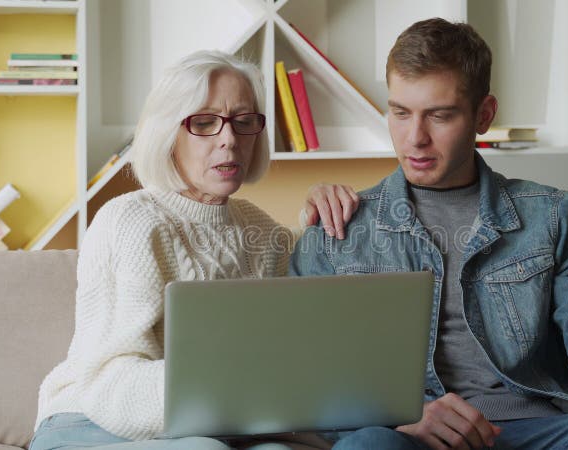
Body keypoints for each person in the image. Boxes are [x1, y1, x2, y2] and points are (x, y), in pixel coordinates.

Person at [289, 18, 568, 450]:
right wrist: (401, 413)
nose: (415, 138)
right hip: (410, 435)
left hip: (542, 433)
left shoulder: (549, 214)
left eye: (439, 116)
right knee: (367, 443)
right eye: (400, 113)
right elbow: (304, 368)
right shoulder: (337, 228)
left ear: (483, 115)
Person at [29, 50, 357, 450]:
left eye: (244, 121)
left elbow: (308, 332)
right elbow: (109, 383)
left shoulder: (262, 231)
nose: (230, 139)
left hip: (213, 422)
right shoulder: (130, 220)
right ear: (168, 133)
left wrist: (322, 204)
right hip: (87, 421)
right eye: (204, 123)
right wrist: (233, 392)